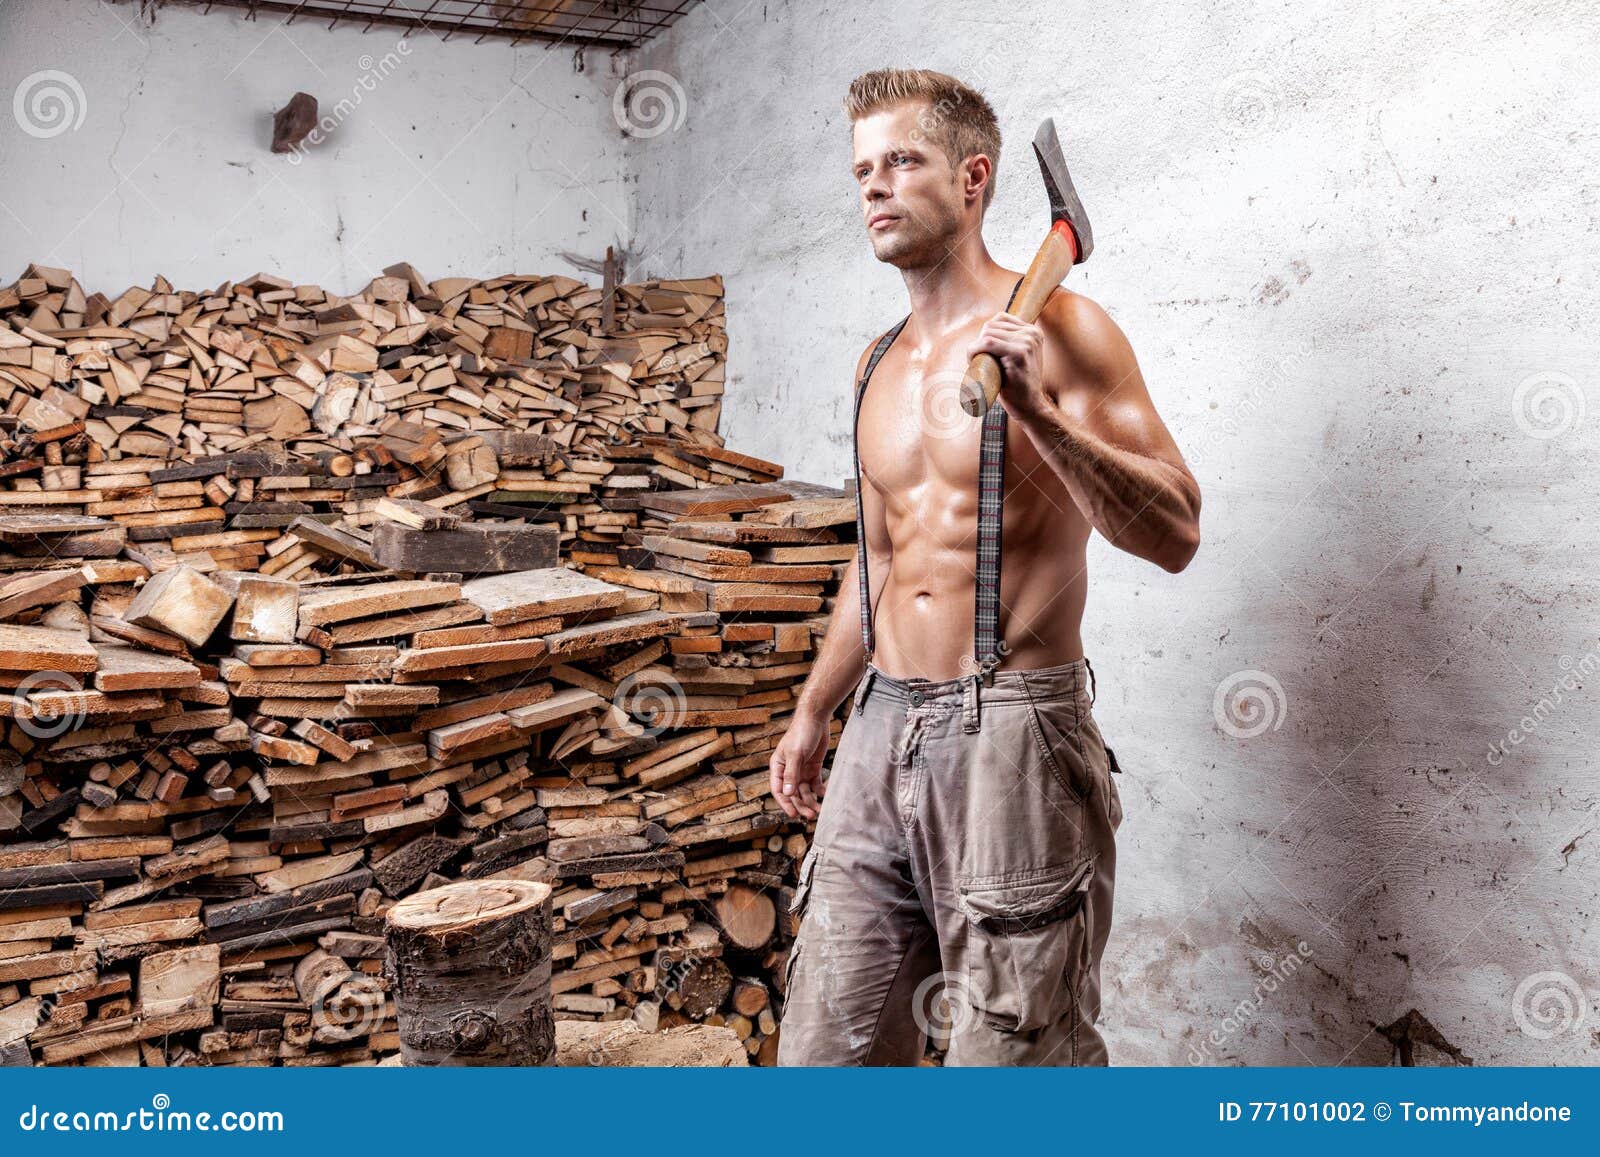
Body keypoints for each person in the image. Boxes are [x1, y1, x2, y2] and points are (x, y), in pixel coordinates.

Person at [771, 68, 1201, 1066]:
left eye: (902, 161)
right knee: (827, 1052)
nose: (875, 187)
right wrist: (815, 708)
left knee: (1011, 1060)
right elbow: (880, 559)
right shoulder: (877, 363)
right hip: (879, 723)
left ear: (974, 178)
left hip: (1012, 728)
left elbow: (1176, 533)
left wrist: (1040, 415)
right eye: (862, 171)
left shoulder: (1065, 329)